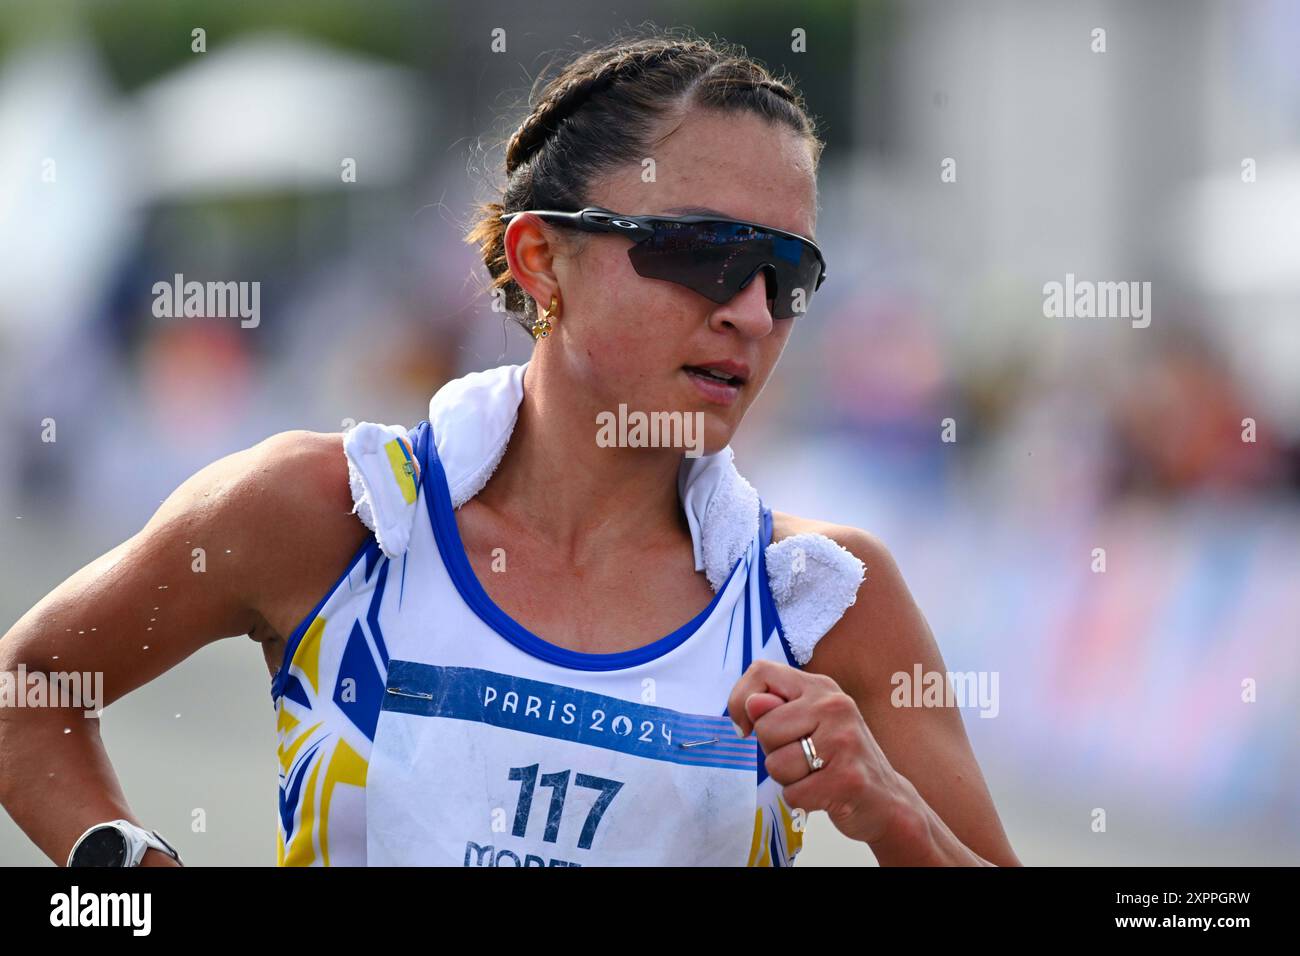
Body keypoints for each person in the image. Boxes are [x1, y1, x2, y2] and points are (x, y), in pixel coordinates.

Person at [0, 30, 1019, 867]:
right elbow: (26, 691)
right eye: (706, 253)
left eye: (787, 273)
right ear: (542, 258)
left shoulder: (826, 597)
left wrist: (896, 817)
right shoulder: (323, 512)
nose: (752, 312)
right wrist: (122, 875)